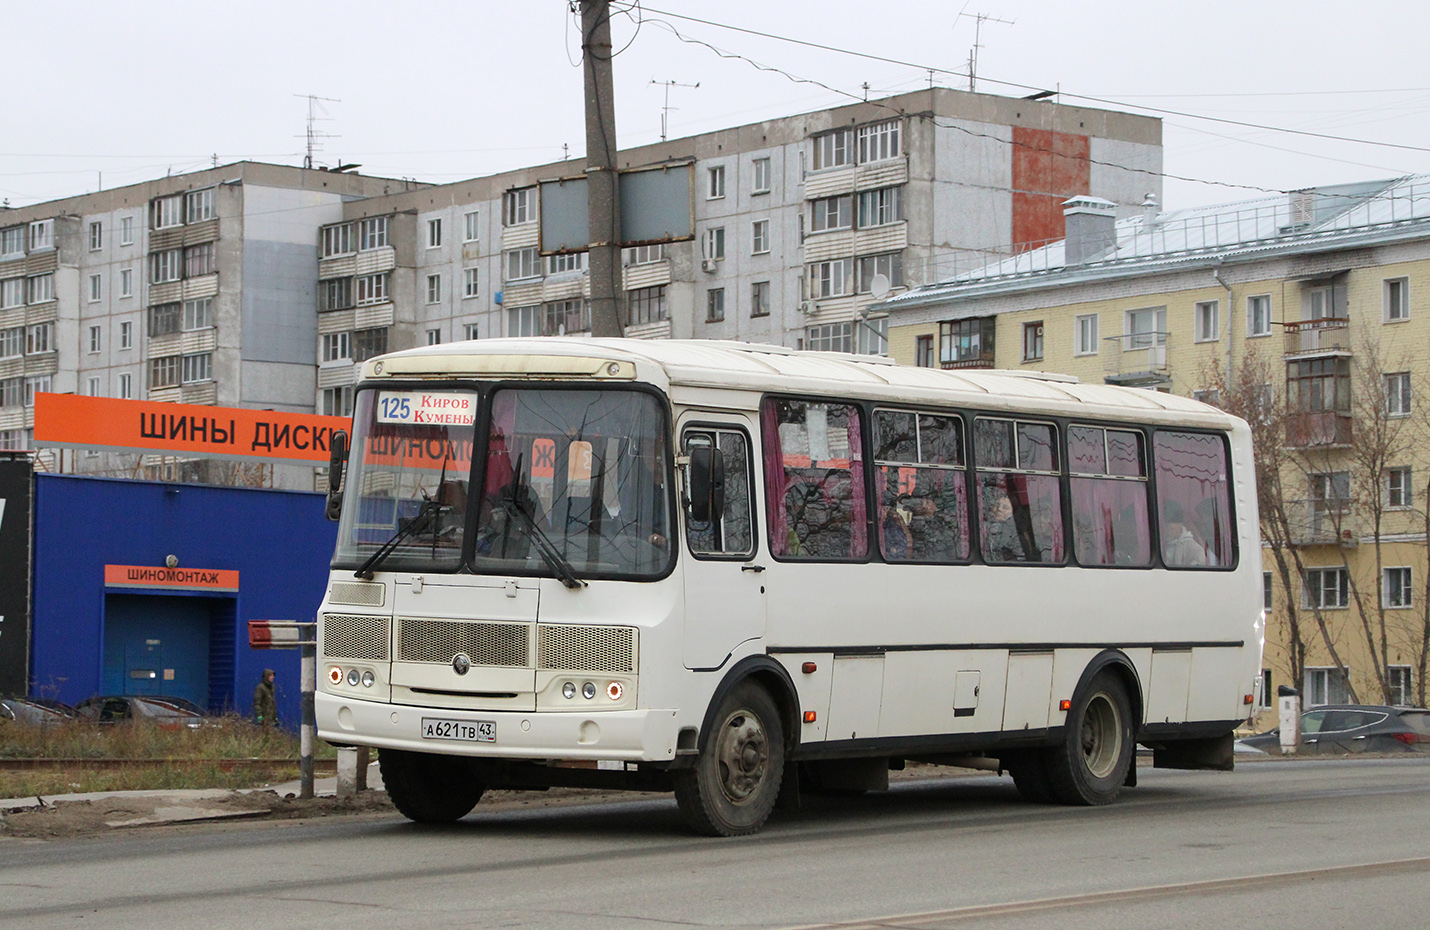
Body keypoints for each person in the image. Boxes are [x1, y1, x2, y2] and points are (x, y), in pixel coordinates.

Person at [1161, 500, 1206, 567]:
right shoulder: (1160, 545)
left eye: (1173, 522)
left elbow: (1197, 572)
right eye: (1166, 523)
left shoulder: (1193, 548)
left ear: (1181, 524)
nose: (1170, 526)